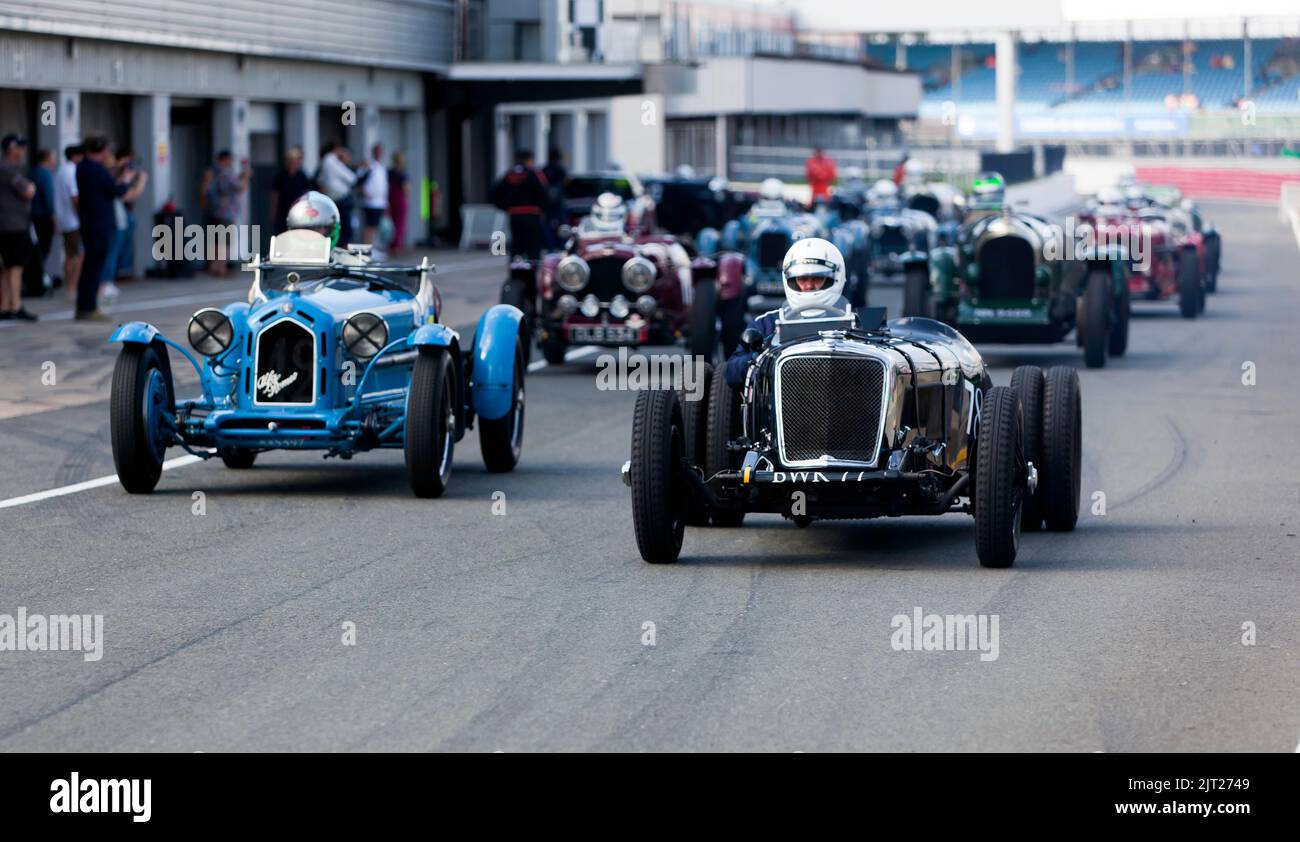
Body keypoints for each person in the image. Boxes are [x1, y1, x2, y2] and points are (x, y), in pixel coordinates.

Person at [724, 237, 847, 387]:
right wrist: (759, 359)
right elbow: (731, 372)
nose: (808, 286)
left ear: (834, 279)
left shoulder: (854, 325)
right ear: (791, 280)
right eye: (802, 279)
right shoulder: (767, 324)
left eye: (817, 278)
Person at [75, 135, 147, 320]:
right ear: (100, 149)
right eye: (106, 149)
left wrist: (117, 172)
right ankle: (89, 308)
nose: (109, 153)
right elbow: (117, 191)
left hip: (89, 223)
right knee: (95, 267)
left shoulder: (83, 167)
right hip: (99, 224)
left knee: (90, 266)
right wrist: (126, 178)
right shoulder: (96, 170)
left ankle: (84, 306)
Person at [0, 134, 38, 321]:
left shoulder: (8, 169)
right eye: (20, 147)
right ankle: (15, 306)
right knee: (15, 267)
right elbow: (28, 191)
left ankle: (5, 306)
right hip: (13, 226)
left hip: (8, 225)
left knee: (7, 267)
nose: (23, 151)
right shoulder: (8, 170)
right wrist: (31, 186)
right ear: (11, 150)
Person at [489, 149, 549, 261]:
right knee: (533, 246)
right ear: (529, 160)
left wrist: (506, 207)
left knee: (517, 245)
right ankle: (531, 274)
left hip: (515, 215)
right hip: (532, 215)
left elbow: (494, 193)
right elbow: (544, 193)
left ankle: (516, 273)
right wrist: (543, 209)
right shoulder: (534, 174)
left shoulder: (509, 175)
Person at [283, 190, 368, 265]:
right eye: (305, 229)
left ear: (332, 229)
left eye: (317, 229)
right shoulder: (280, 262)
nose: (311, 235)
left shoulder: (350, 263)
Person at [199, 150, 248, 277]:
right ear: (225, 159)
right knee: (224, 241)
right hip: (226, 212)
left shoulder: (211, 172)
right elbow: (240, 188)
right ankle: (221, 268)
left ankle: (214, 266)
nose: (231, 162)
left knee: (215, 240)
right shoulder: (226, 173)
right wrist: (246, 177)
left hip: (213, 210)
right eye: (230, 159)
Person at [54, 143, 83, 301]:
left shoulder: (61, 171)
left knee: (69, 254)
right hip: (73, 220)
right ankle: (72, 288)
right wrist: (83, 216)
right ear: (75, 156)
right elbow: (75, 197)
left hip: (64, 219)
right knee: (77, 255)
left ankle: (69, 286)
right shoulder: (71, 171)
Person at [316, 141, 357, 247]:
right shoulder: (331, 160)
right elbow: (351, 177)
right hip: (339, 199)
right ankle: (341, 247)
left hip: (334, 198)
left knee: (339, 226)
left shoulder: (327, 160)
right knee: (344, 227)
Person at [270, 147, 311, 235]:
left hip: (298, 211)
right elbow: (275, 195)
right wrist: (273, 212)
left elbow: (306, 194)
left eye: (295, 162)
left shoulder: (302, 176)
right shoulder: (281, 176)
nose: (292, 164)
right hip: (283, 211)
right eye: (290, 161)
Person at [29, 148, 56, 275]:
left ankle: (35, 277)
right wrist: (54, 219)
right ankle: (38, 278)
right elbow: (49, 199)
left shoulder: (33, 172)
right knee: (43, 248)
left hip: (32, 216)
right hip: (43, 217)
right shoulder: (46, 174)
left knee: (36, 248)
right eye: (53, 157)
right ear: (48, 159)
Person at [357, 143, 388, 247]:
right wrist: (363, 192)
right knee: (369, 227)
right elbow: (359, 180)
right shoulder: (368, 165)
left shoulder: (381, 167)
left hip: (380, 202)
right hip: (370, 202)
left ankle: (372, 247)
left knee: (375, 227)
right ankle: (367, 248)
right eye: (376, 151)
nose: (378, 153)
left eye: (380, 151)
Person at [541, 146, 567, 248]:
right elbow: (565, 183)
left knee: (547, 225)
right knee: (562, 225)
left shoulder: (544, 170)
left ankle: (550, 245)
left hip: (547, 202)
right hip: (559, 201)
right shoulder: (561, 169)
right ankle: (561, 245)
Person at [387, 150, 410, 251]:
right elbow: (407, 188)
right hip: (400, 199)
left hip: (391, 199)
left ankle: (393, 243)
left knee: (393, 222)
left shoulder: (389, 172)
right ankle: (397, 244)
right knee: (400, 223)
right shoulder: (402, 173)